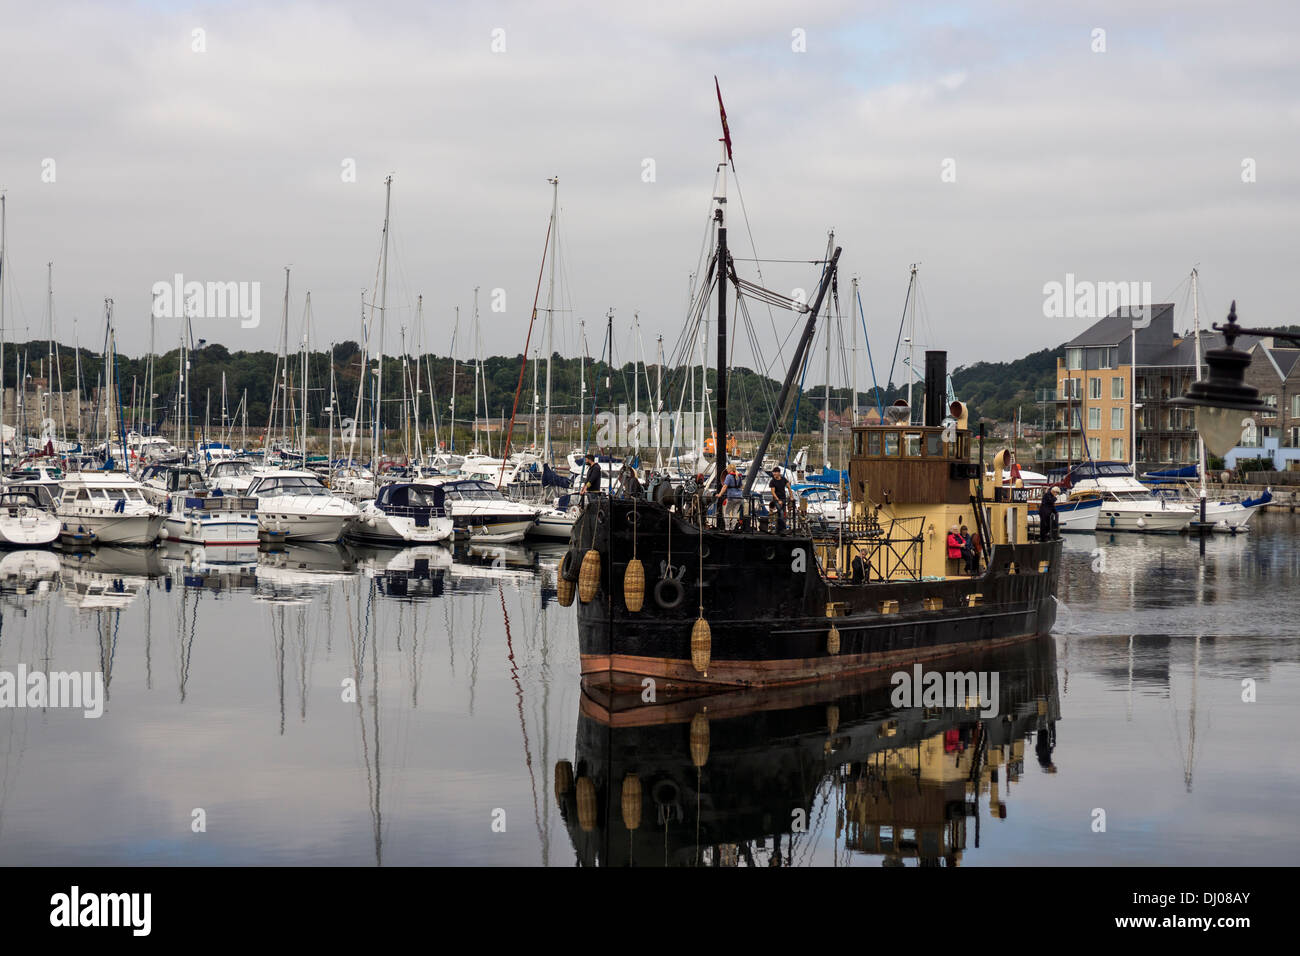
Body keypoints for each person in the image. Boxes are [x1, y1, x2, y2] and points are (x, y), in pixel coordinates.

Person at [716, 463, 743, 529]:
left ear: (730, 469)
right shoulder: (739, 476)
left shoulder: (729, 476)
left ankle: (727, 528)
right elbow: (741, 486)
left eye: (727, 469)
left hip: (732, 497)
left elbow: (725, 486)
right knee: (735, 513)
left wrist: (720, 494)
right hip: (739, 497)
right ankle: (732, 528)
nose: (727, 470)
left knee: (727, 512)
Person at [769, 466, 791, 532]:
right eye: (773, 473)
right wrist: (778, 500)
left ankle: (779, 528)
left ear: (779, 473)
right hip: (776, 499)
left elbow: (789, 488)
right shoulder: (772, 481)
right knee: (781, 512)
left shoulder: (784, 479)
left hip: (783, 498)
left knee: (783, 513)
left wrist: (791, 496)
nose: (774, 474)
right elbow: (772, 492)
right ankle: (783, 528)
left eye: (775, 472)